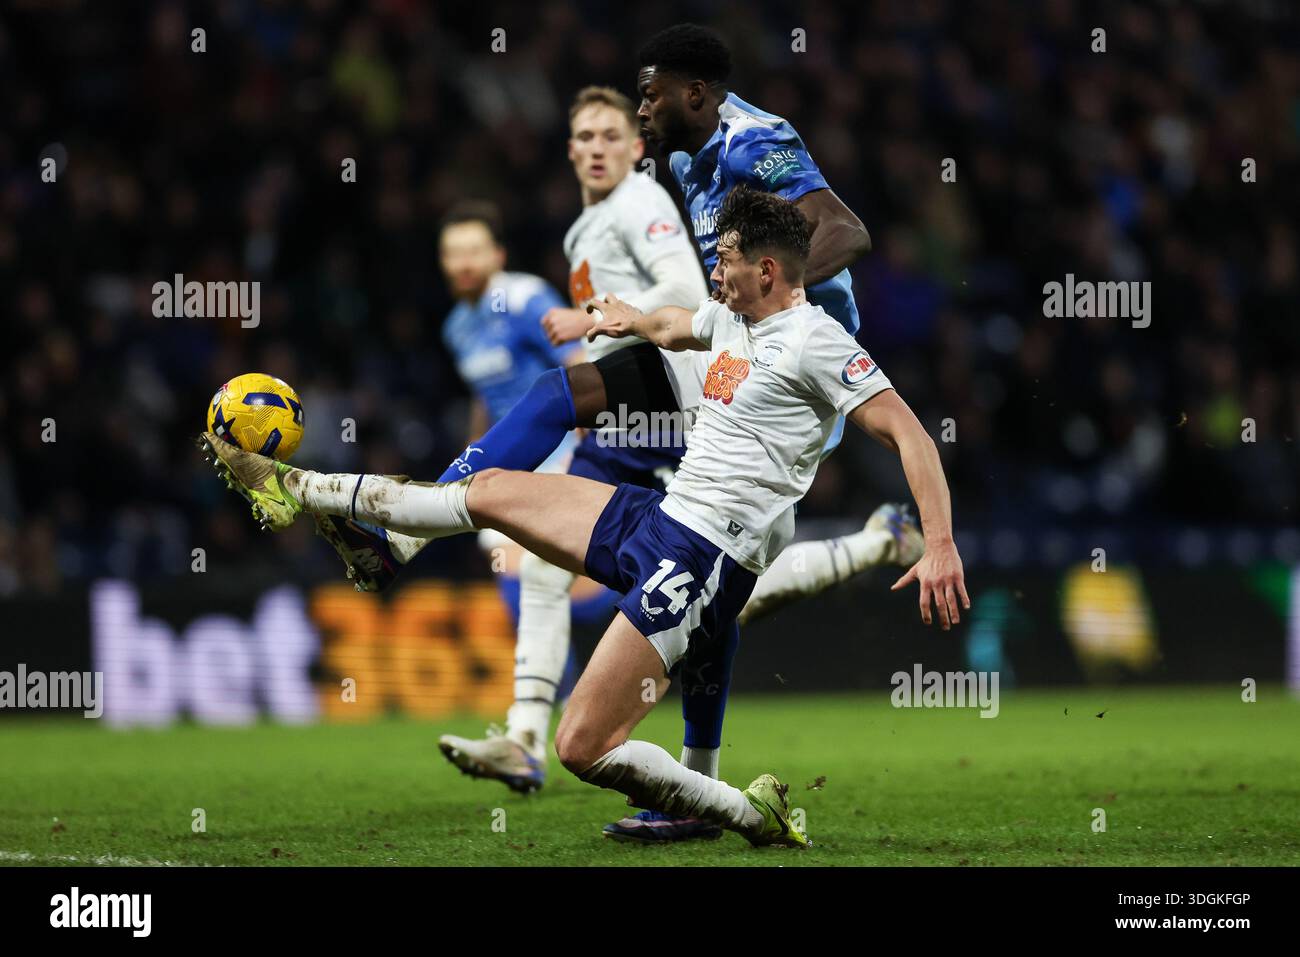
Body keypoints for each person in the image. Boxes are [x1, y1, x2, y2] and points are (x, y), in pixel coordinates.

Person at [200, 188, 969, 848]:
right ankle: (307, 494)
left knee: (582, 745)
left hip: (702, 557)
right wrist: (630, 317)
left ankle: (749, 811)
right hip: (660, 514)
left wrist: (939, 545)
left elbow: (906, 429)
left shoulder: (815, 341)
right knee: (495, 487)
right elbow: (678, 326)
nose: (716, 269)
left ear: (767, 270)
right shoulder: (732, 317)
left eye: (727, 258)